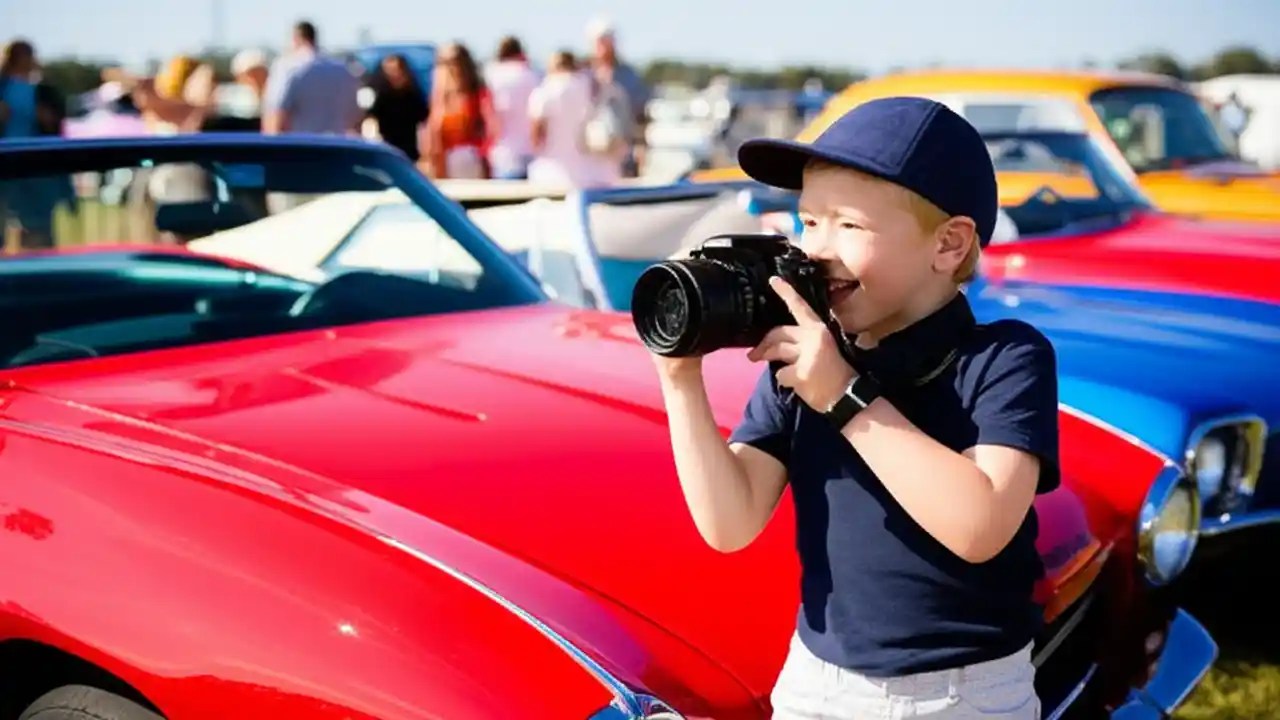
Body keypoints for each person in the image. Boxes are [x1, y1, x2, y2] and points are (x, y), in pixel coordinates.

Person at [650, 96, 1059, 719]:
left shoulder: (1004, 359)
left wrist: (843, 397)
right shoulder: (810, 360)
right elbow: (728, 524)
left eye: (847, 224)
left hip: (960, 696)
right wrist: (681, 381)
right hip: (818, 684)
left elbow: (980, 526)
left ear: (949, 245)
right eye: (808, 221)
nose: (815, 248)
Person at [0, 39, 73, 250]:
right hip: (6, 164)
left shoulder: (43, 91)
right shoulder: (4, 89)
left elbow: (55, 125)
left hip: (35, 165)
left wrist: (47, 117)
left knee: (36, 227)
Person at [526, 51, 613, 189]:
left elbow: (536, 137)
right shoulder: (586, 87)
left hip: (551, 173)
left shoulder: (544, 91)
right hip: (585, 173)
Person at [262, 20, 360, 136]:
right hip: (336, 147)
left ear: (295, 39)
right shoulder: (343, 70)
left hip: (301, 147)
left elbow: (276, 113)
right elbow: (355, 117)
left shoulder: (287, 67)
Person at [584, 17, 650, 177]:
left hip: (623, 156)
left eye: (607, 41)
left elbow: (640, 115)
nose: (604, 47)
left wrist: (641, 147)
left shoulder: (629, 76)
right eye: (600, 42)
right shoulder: (584, 75)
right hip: (590, 157)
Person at [424, 42, 496, 179]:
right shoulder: (439, 95)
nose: (448, 68)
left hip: (468, 158)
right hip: (442, 160)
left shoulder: (477, 94)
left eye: (453, 62)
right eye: (442, 63)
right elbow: (434, 130)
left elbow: (490, 129)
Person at [484, 35, 541, 179]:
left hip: (504, 154)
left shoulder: (491, 75)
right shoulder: (532, 75)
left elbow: (490, 117)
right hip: (531, 153)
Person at [366, 53, 430, 161]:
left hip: (409, 148)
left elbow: (423, 118)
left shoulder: (413, 96)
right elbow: (371, 118)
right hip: (386, 146)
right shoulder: (381, 96)